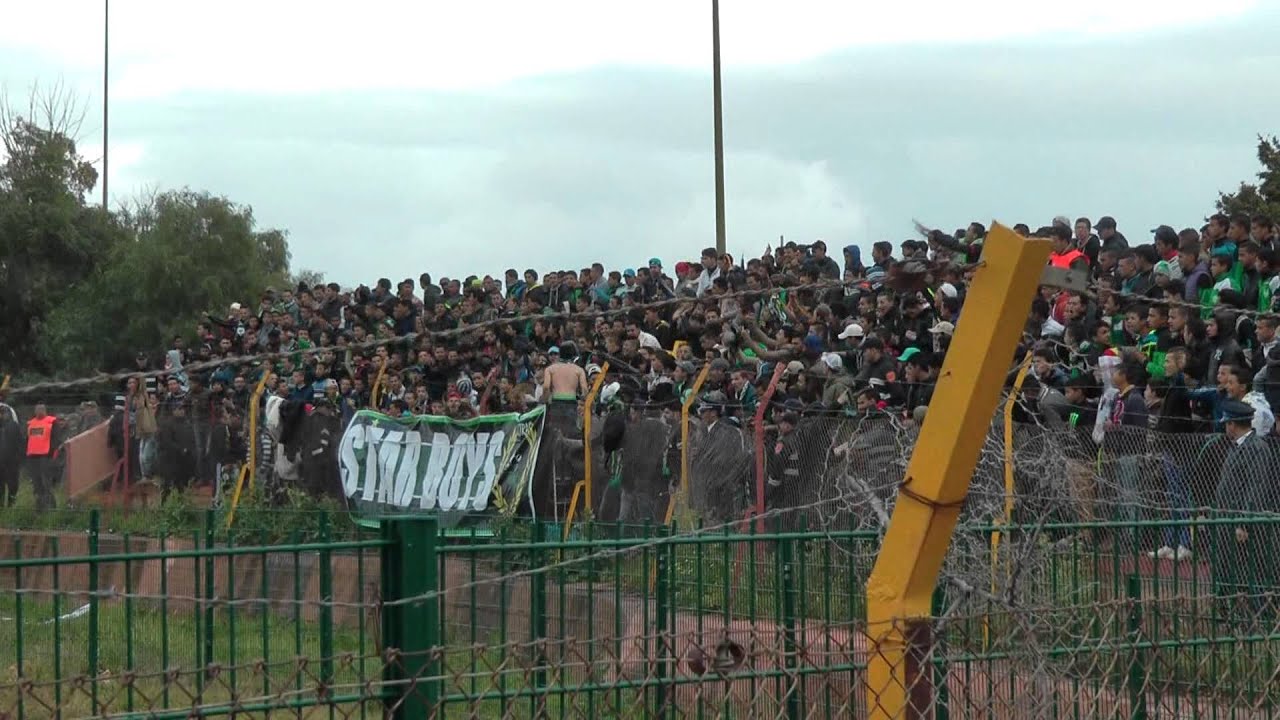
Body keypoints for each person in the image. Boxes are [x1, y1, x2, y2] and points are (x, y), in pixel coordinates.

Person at [1210, 400, 1278, 626]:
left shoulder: (1257, 449)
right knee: (1228, 571)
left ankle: (1260, 620)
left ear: (1232, 424)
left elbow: (1257, 487)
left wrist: (1244, 523)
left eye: (1227, 423)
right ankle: (1231, 617)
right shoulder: (1237, 446)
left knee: (1250, 574)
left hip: (1243, 525)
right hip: (1227, 520)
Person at [25, 403, 58, 510]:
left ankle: (51, 507)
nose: (39, 411)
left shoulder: (52, 421)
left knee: (46, 483)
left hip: (46, 457)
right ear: (34, 411)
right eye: (37, 409)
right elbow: (27, 440)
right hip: (33, 457)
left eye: (41, 409)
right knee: (36, 483)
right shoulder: (30, 423)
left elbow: (56, 439)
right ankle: (39, 506)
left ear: (45, 410)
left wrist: (52, 453)